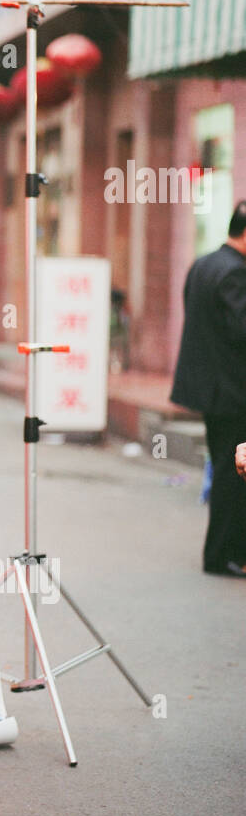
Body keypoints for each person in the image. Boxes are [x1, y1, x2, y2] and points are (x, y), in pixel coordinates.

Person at [170, 201, 246, 578]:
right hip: (233, 393)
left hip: (211, 391)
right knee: (234, 475)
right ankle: (224, 556)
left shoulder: (204, 264)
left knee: (225, 470)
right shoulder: (235, 273)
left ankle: (226, 552)